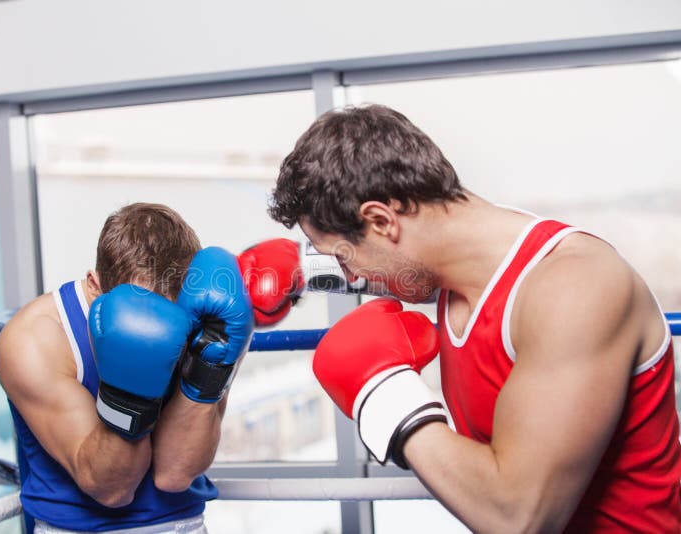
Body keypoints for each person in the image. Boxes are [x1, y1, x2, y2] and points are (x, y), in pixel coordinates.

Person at [268, 104, 681, 532]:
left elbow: (519, 518)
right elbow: (385, 269)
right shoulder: (453, 267)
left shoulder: (573, 286)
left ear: (380, 219)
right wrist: (293, 275)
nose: (349, 275)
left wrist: (384, 393)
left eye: (341, 257)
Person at [0, 202, 301, 533]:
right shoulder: (35, 338)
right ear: (95, 285)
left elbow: (177, 473)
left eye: (172, 313)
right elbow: (111, 489)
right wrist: (131, 384)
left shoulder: (206, 311)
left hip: (184, 524)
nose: (161, 325)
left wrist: (210, 363)